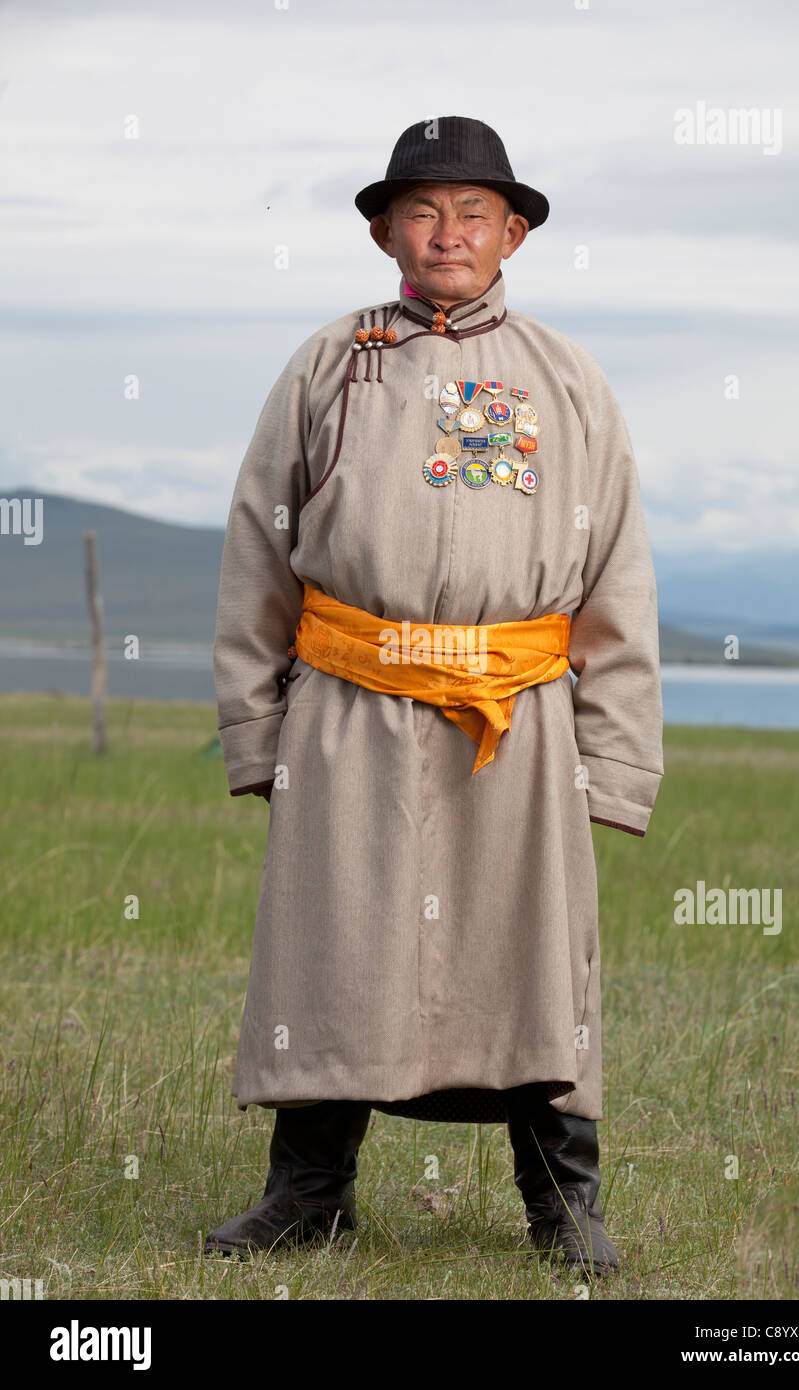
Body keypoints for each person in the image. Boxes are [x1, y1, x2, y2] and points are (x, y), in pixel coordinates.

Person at [207, 116, 664, 1275]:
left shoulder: (567, 381)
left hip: (516, 721)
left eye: (472, 213)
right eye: (422, 210)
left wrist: (611, 760)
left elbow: (613, 575)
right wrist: (258, 730)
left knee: (532, 957)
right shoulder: (327, 364)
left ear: (512, 231)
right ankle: (308, 1196)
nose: (446, 232)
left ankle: (562, 1208)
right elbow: (260, 550)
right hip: (348, 706)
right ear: (382, 232)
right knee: (335, 945)